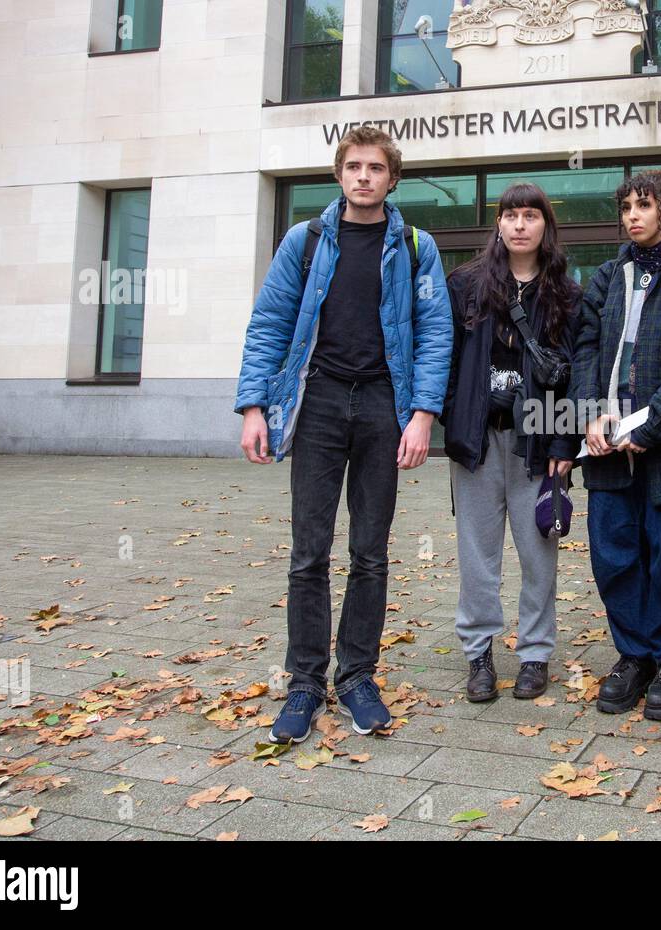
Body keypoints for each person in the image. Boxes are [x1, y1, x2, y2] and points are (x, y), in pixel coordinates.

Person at [234, 126, 453, 743]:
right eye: (353, 166)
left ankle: (358, 675)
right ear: (339, 175)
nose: (363, 176)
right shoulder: (305, 241)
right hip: (322, 403)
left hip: (386, 404)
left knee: (370, 551)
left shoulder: (415, 246)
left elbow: (436, 333)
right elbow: (270, 321)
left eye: (375, 168)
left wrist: (423, 415)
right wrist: (254, 405)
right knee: (309, 551)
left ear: (391, 178)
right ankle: (305, 681)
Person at [569, 169, 661, 721]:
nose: (633, 215)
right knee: (614, 553)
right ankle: (633, 655)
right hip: (606, 444)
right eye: (626, 206)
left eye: (644, 206)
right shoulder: (607, 275)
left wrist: (649, 428)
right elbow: (584, 347)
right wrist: (589, 414)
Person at [441, 183, 582, 702]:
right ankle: (479, 652)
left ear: (546, 225)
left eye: (530, 215)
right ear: (498, 224)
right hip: (478, 440)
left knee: (538, 550)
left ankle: (535, 653)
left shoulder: (565, 293)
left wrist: (565, 445)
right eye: (510, 215)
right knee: (477, 554)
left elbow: (575, 374)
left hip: (538, 442)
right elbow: (447, 360)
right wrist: (453, 421)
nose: (520, 224)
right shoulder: (466, 286)